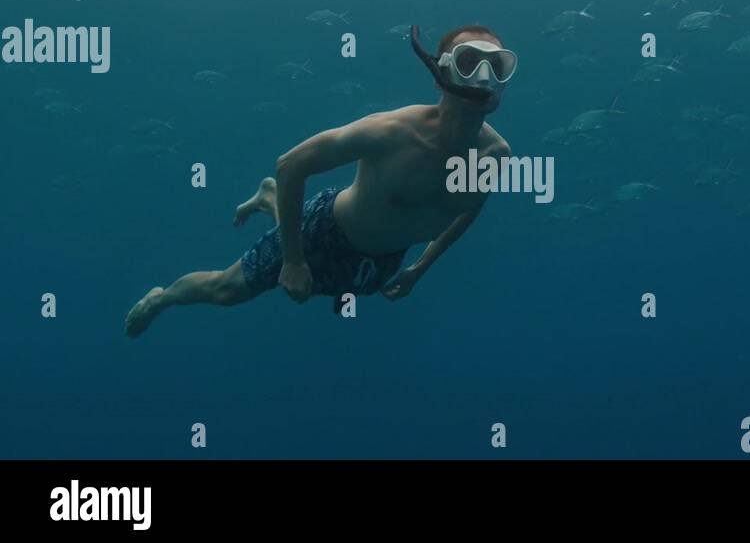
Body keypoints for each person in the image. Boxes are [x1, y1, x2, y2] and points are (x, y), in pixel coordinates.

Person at [125, 24, 517, 337]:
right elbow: (292, 164)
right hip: (325, 231)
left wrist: (421, 267)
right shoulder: (392, 133)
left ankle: (270, 200)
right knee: (227, 291)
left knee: (324, 287)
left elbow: (467, 210)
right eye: (469, 62)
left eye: (496, 66)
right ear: (440, 74)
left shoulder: (494, 156)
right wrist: (294, 262)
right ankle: (163, 298)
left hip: (383, 261)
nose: (483, 77)